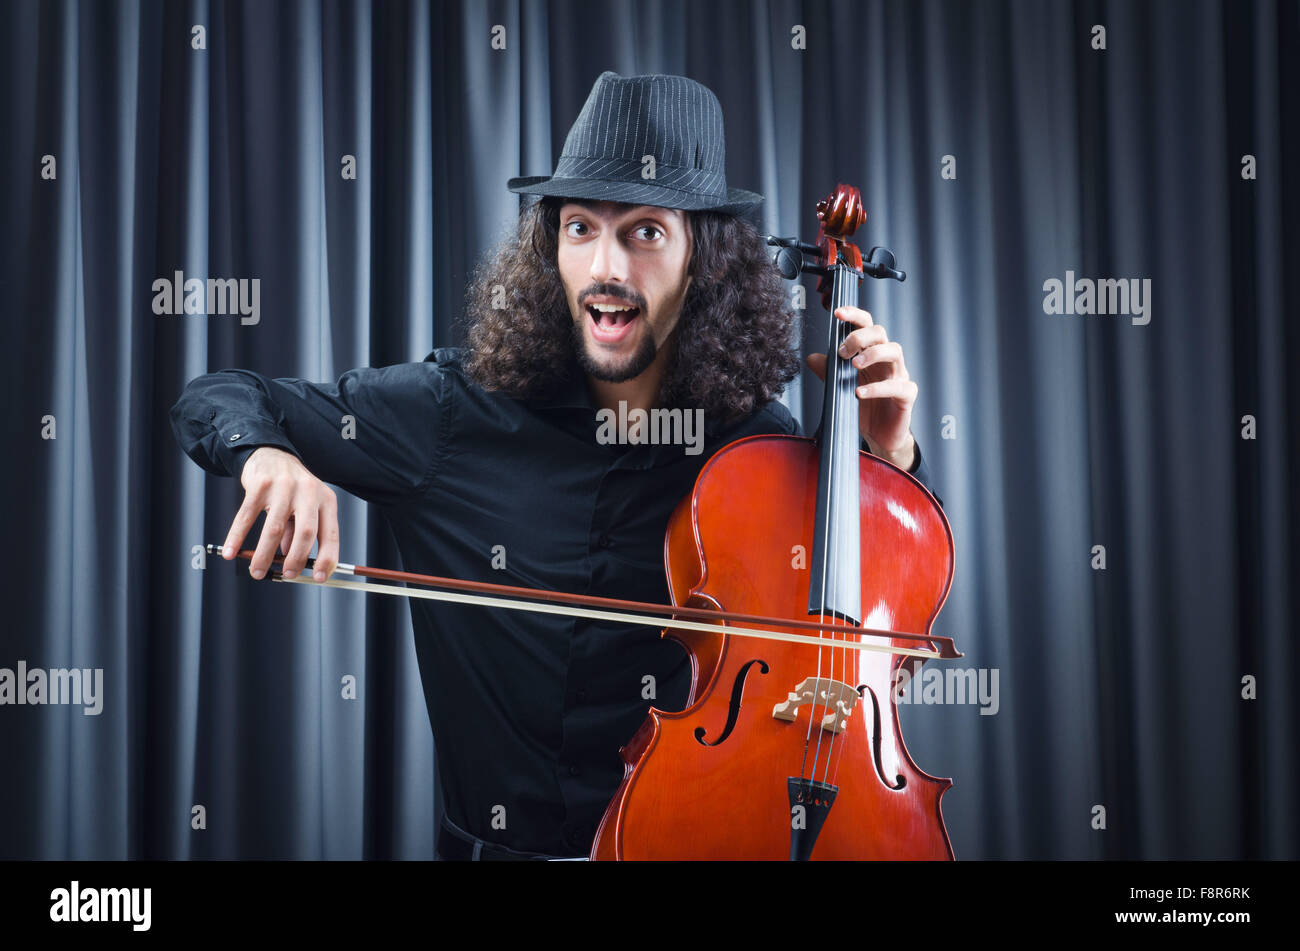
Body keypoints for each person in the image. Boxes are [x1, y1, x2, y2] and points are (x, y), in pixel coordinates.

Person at [170, 71, 941, 860]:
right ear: (551, 247)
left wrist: (888, 461)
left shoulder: (757, 458)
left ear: (703, 262)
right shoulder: (450, 414)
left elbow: (864, 660)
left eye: (645, 232)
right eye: (581, 228)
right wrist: (267, 453)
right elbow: (221, 394)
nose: (607, 265)